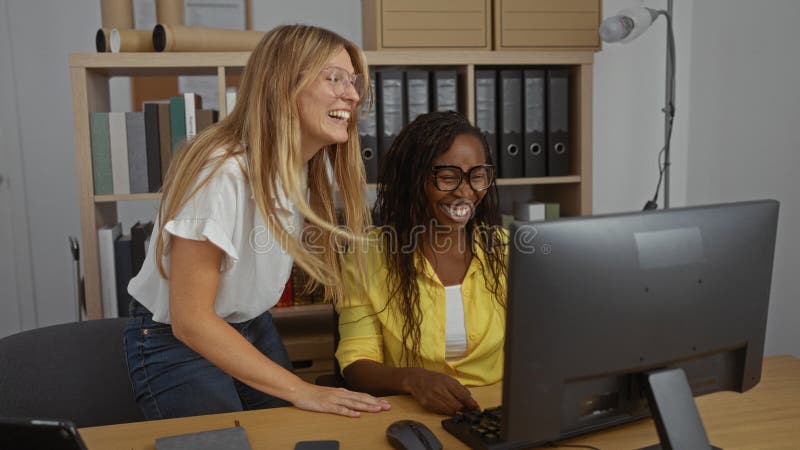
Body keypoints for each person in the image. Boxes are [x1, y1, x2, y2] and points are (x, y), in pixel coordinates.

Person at [123, 24, 391, 420]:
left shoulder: (299, 164)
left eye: (353, 82)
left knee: (298, 432)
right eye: (335, 78)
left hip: (248, 324)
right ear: (283, 84)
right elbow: (191, 320)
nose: (352, 95)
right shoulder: (222, 174)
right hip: (177, 336)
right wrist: (302, 390)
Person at [335, 111, 508, 415]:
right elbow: (355, 363)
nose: (466, 192)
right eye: (447, 177)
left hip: (497, 411)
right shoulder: (369, 254)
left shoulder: (505, 251)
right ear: (413, 180)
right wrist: (413, 380)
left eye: (477, 176)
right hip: (410, 413)